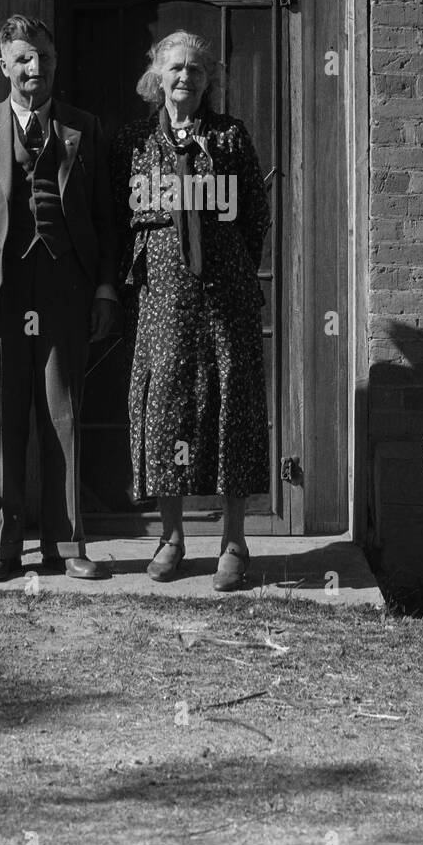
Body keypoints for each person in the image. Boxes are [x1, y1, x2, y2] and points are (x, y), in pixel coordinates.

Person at [0, 15, 118, 581]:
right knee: (2, 424)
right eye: (22, 58)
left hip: (65, 291)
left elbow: (106, 220)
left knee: (62, 417)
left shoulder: (84, 128)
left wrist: (106, 289)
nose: (33, 67)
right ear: (4, 65)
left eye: (41, 56)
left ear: (54, 60)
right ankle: (2, 547)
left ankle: (67, 545)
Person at [110, 31, 270, 591]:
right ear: (156, 78)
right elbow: (116, 218)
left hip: (226, 301)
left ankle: (233, 540)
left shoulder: (229, 138)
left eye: (197, 71)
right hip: (162, 306)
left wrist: (230, 269)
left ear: (209, 81)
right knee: (167, 413)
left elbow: (255, 216)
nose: (185, 78)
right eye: (176, 68)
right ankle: (171, 536)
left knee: (232, 406)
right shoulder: (134, 142)